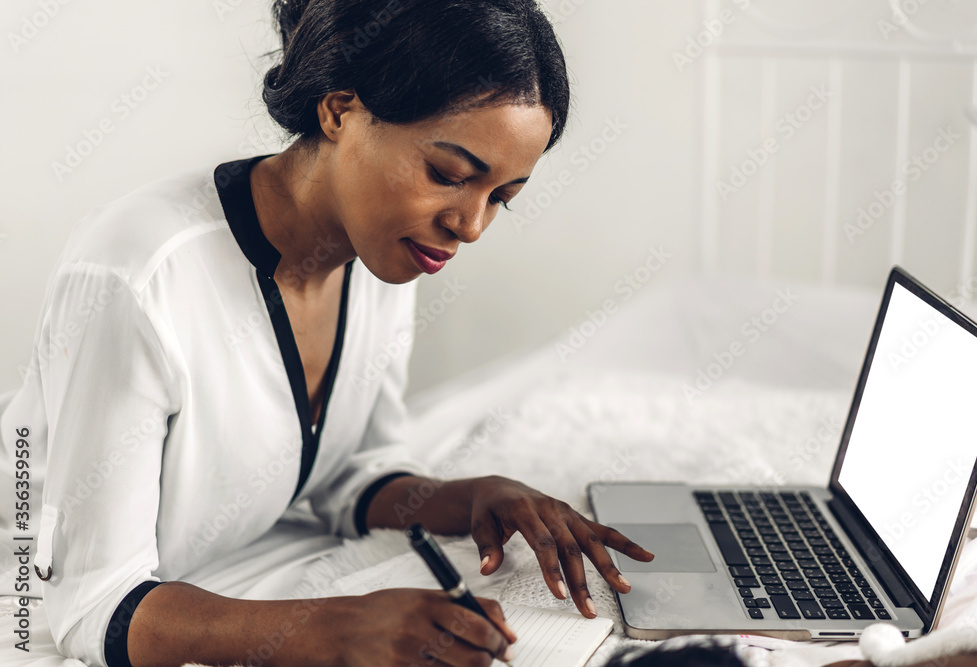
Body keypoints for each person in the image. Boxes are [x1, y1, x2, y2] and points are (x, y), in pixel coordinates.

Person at [0, 1, 655, 666]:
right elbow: (91, 605)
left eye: (500, 197)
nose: (471, 224)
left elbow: (344, 475)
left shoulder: (383, 250)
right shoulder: (138, 276)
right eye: (450, 176)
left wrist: (478, 495)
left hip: (215, 570)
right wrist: (331, 630)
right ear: (340, 111)